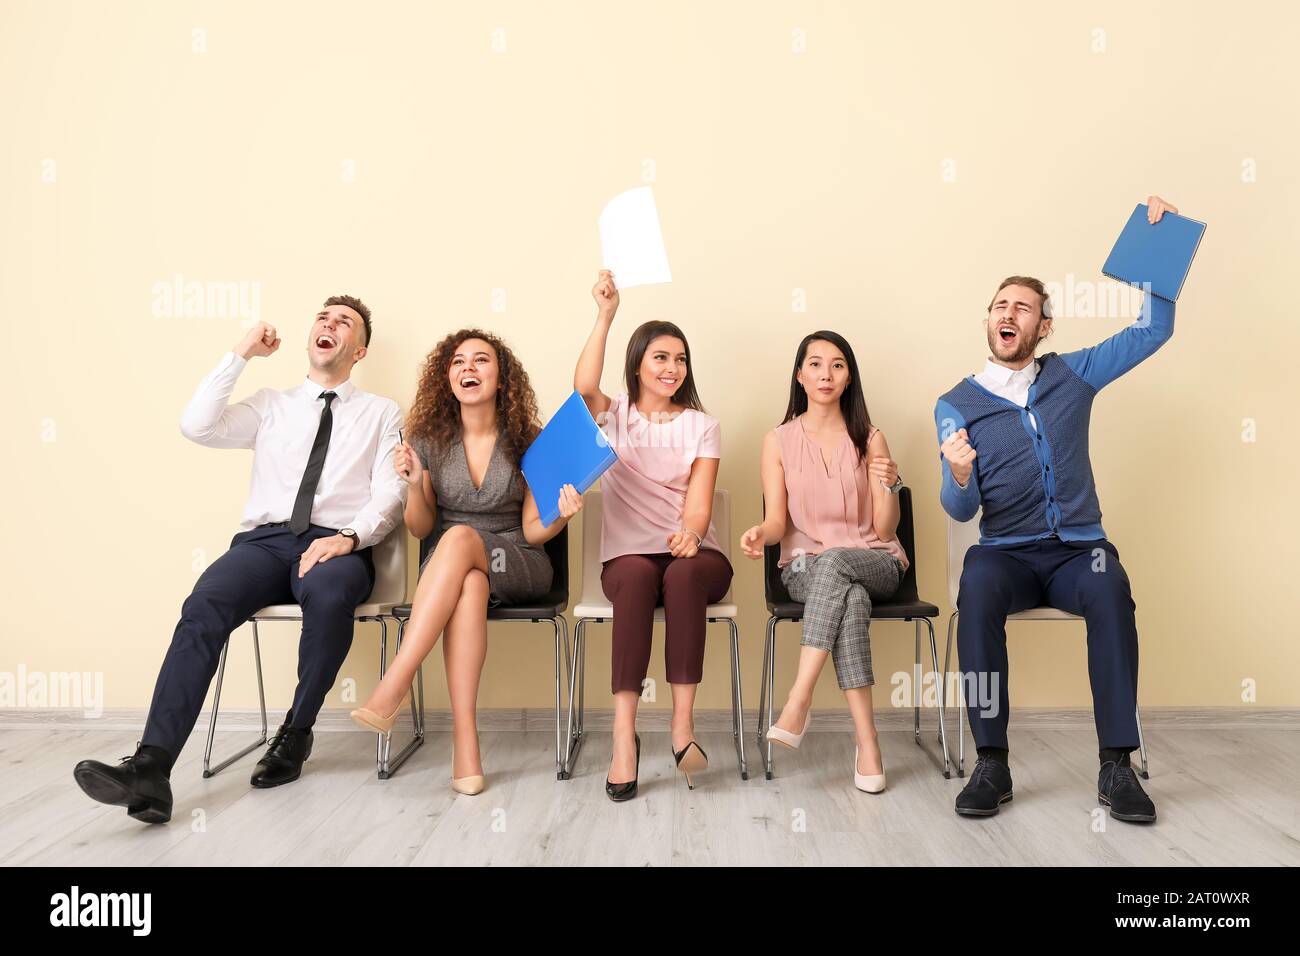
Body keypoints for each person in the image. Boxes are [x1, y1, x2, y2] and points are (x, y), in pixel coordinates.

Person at [74, 296, 404, 824]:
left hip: (335, 543)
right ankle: (152, 768)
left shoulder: (382, 413)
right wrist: (241, 353)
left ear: (358, 350)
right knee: (204, 603)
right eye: (322, 316)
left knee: (330, 593)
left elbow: (392, 492)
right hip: (264, 544)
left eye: (344, 322)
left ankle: (295, 734)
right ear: (310, 335)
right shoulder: (271, 403)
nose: (329, 324)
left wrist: (348, 537)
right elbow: (196, 426)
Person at [936, 195, 1180, 823]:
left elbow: (1153, 330)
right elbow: (959, 510)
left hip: (1079, 552)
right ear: (989, 323)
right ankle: (992, 763)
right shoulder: (956, 402)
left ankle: (1116, 765)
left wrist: (1159, 244)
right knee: (978, 589)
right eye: (1000, 305)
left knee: (1110, 588)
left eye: (1023, 306)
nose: (1008, 313)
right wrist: (960, 474)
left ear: (1043, 326)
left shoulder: (1073, 374)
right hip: (1006, 555)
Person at [350, 330, 578, 795]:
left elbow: (535, 529)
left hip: (517, 558)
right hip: (453, 568)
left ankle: (396, 681)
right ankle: (466, 746)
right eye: (458, 362)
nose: (468, 368)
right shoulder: (427, 439)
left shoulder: (529, 440)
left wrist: (561, 515)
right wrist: (415, 483)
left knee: (459, 539)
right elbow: (418, 527)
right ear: (446, 377)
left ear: (501, 376)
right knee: (469, 582)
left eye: (481, 360)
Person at [574, 270, 733, 801]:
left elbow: (701, 502)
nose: (672, 368)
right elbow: (582, 388)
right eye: (661, 357)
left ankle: (681, 727)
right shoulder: (613, 414)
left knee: (685, 575)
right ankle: (624, 736)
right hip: (628, 557)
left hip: (694, 554)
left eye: (680, 358)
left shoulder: (702, 425)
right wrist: (605, 315)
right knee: (639, 578)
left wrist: (691, 532)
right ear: (638, 363)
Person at [740, 331, 906, 792]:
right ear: (799, 375)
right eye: (814, 364)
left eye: (836, 365)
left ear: (849, 376)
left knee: (839, 565)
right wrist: (761, 532)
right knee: (847, 598)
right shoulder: (777, 441)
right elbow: (777, 522)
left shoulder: (871, 438)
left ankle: (798, 699)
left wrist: (889, 485)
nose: (825, 374)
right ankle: (868, 743)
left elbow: (887, 530)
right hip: (801, 567)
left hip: (876, 561)